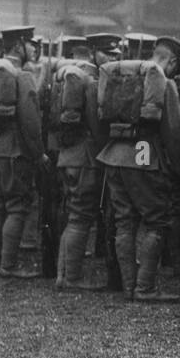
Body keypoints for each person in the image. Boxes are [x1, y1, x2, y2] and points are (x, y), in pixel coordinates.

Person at [95, 35, 180, 302]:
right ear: (171, 60)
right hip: (144, 158)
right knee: (156, 220)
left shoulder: (124, 77)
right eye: (176, 66)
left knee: (124, 221)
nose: (174, 73)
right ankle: (145, 287)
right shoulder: (164, 83)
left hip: (114, 156)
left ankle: (128, 287)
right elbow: (173, 132)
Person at [0, 26, 46, 278]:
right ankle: (8, 265)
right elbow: (31, 122)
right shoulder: (22, 76)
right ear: (19, 46)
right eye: (31, 43)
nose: (35, 49)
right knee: (16, 207)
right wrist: (38, 154)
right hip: (13, 152)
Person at [54, 36, 110, 291]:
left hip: (66, 155)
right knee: (81, 217)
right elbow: (97, 127)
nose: (112, 57)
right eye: (108, 52)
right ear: (95, 54)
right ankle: (71, 277)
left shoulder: (64, 77)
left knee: (73, 215)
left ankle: (63, 275)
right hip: (86, 157)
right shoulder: (91, 81)